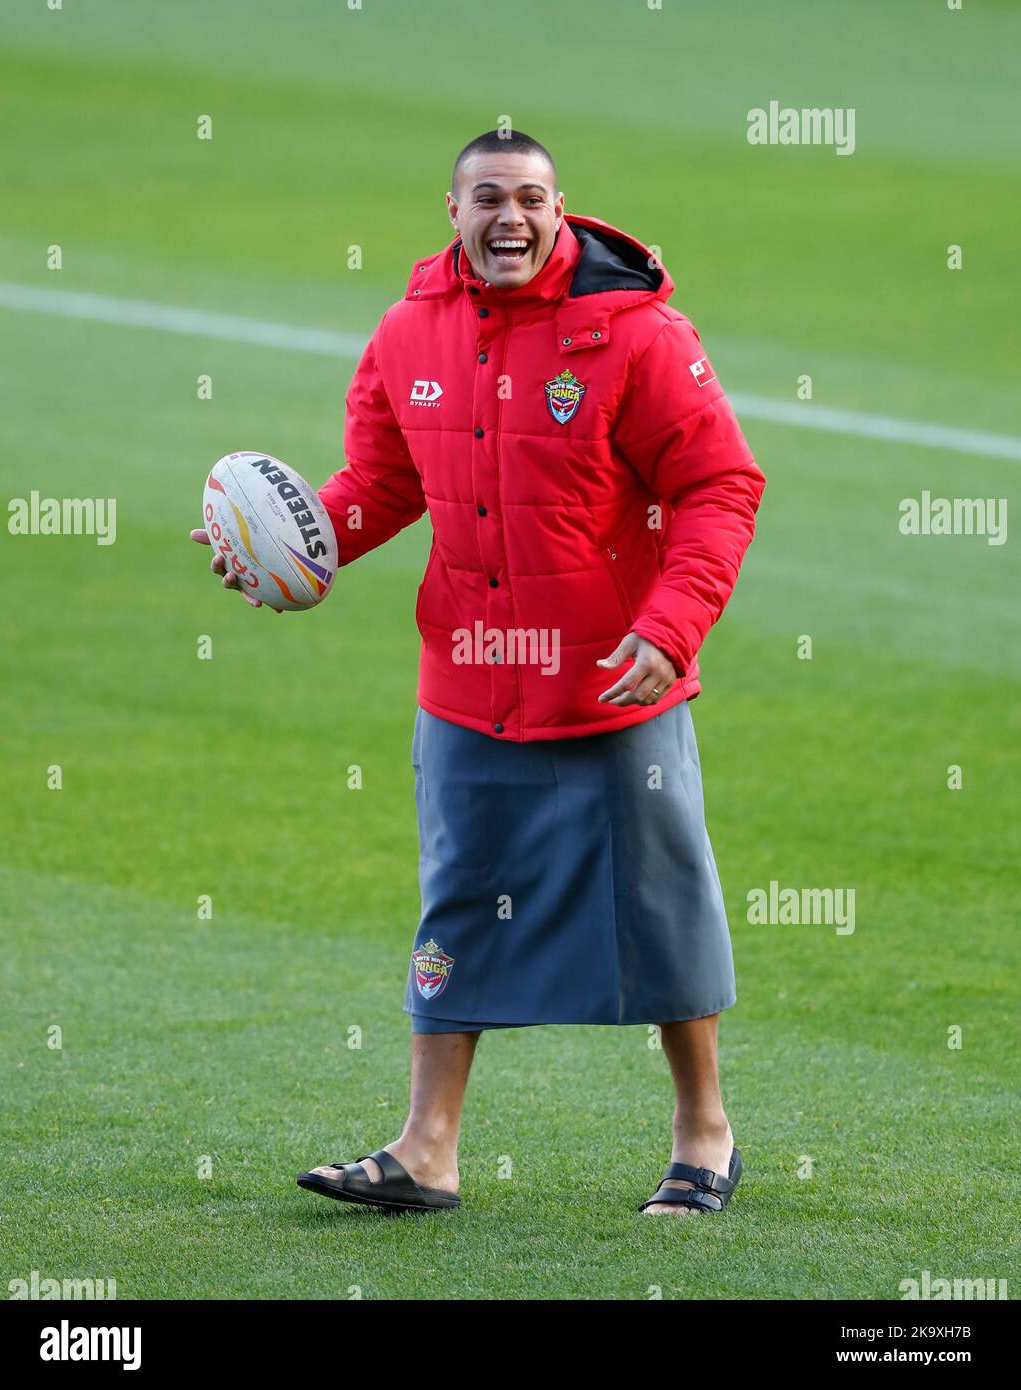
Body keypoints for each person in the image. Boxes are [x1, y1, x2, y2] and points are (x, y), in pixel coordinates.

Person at [191, 130, 765, 1216]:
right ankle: (427, 1148)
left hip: (612, 679)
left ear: (562, 210)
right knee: (454, 906)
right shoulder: (410, 327)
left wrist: (669, 625)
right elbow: (381, 481)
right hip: (465, 678)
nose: (511, 217)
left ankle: (705, 1135)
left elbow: (718, 485)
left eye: (531, 199)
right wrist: (292, 549)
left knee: (658, 906)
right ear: (449, 211)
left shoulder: (637, 336)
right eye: (489, 198)